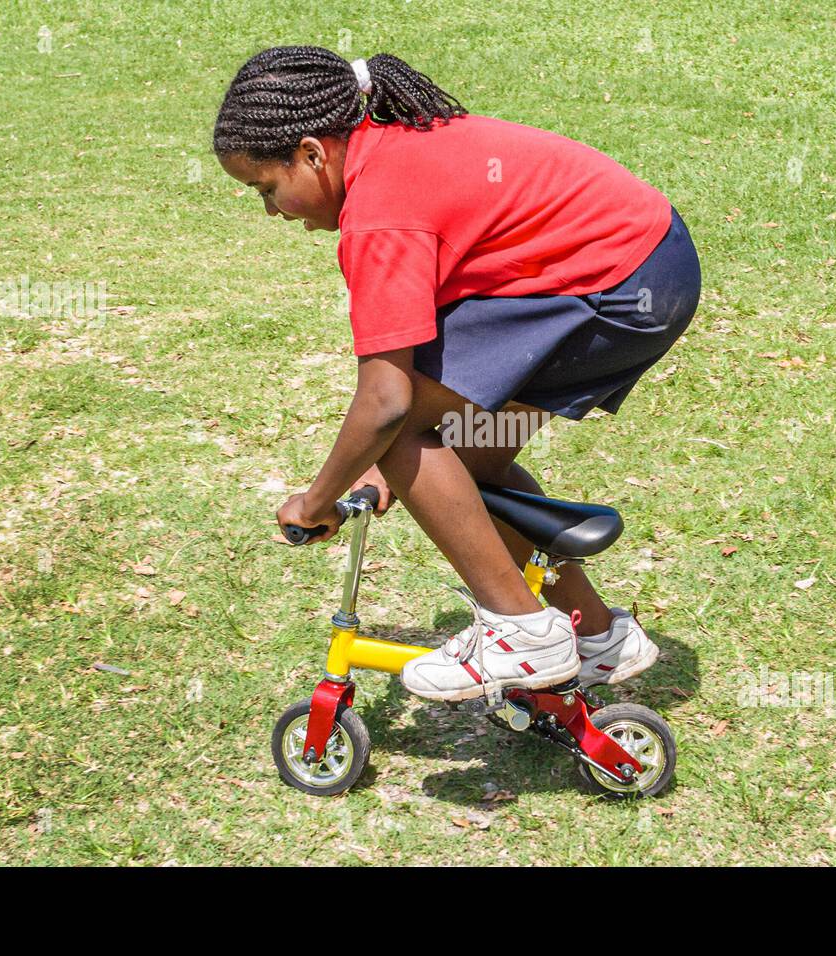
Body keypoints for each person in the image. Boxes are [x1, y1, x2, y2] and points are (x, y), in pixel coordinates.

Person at [214, 47, 701, 702]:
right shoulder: (391, 146)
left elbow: (388, 401)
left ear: (312, 152)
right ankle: (595, 634)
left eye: (266, 189)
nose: (272, 211)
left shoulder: (379, 212)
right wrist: (375, 469)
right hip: (653, 261)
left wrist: (316, 499)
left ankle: (522, 632)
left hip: (615, 282)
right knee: (468, 455)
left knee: (415, 432)